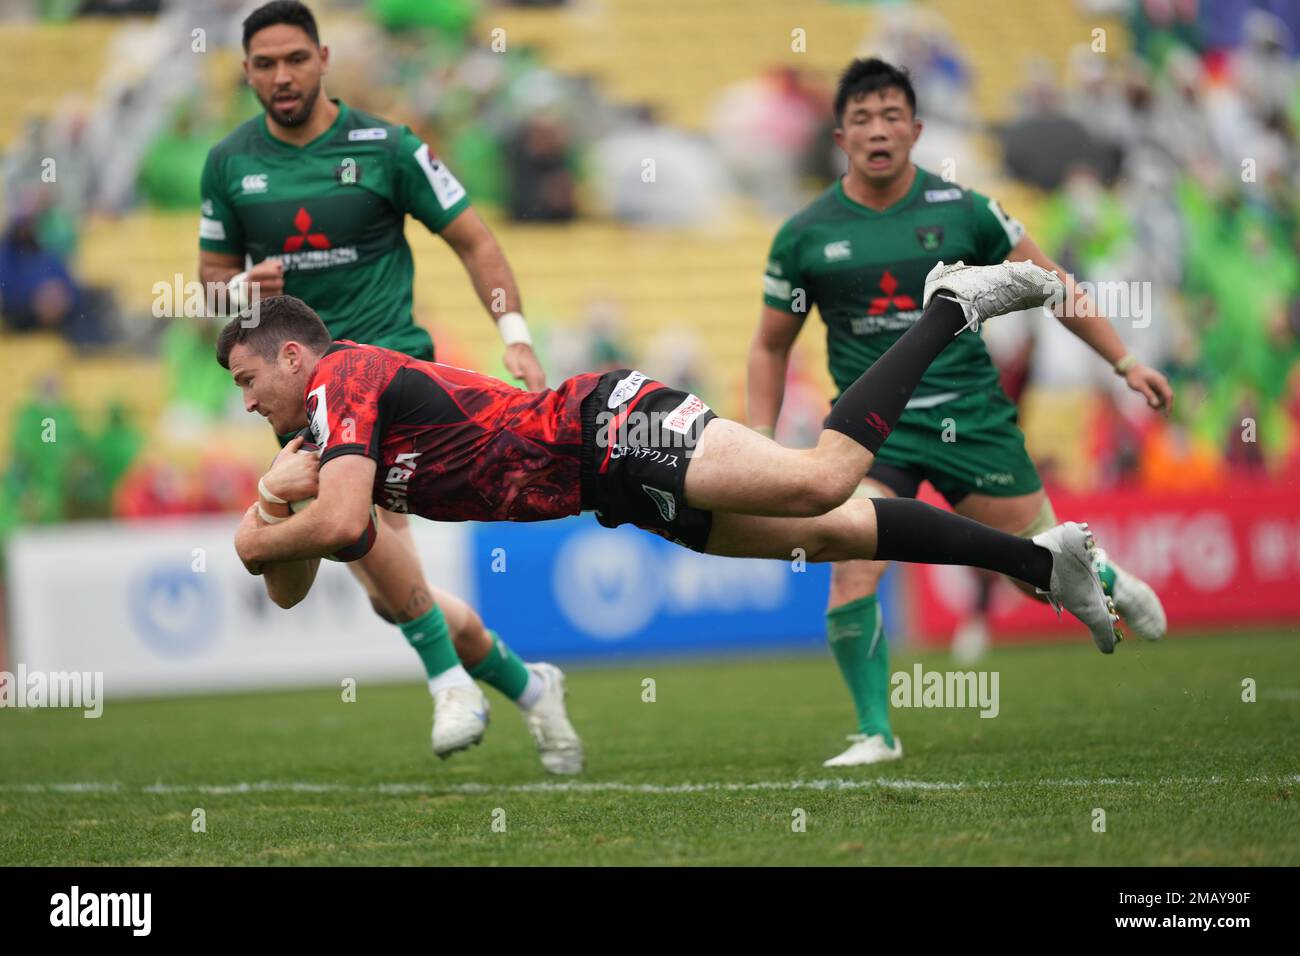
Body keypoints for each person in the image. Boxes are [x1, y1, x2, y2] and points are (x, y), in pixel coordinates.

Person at [220, 265, 1125, 686]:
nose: (247, 402)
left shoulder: (345, 381)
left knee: (822, 482)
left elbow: (338, 531)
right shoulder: (321, 439)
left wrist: (252, 536)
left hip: (608, 424)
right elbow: (297, 585)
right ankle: (1046, 568)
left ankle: (947, 306)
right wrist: (268, 505)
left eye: (248, 380)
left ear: (294, 357)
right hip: (608, 485)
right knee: (836, 529)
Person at [748, 58, 1173, 768]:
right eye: (861, 118)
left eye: (891, 117)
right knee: (851, 562)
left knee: (1029, 573)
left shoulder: (965, 211)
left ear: (915, 130)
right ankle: (876, 733)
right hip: (868, 435)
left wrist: (1124, 362)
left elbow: (1051, 285)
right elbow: (768, 345)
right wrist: (759, 440)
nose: (877, 131)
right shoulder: (804, 234)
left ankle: (1108, 582)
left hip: (971, 418)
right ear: (839, 134)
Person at [198, 0, 579, 771]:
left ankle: (450, 682)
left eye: (295, 59)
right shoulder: (228, 163)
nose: (281, 75)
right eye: (264, 64)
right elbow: (210, 292)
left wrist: (515, 335)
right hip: (299, 395)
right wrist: (240, 286)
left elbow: (474, 239)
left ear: (324, 57)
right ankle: (527, 684)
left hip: (390, 372)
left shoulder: (387, 146)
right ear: (246, 72)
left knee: (365, 537)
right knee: (385, 584)